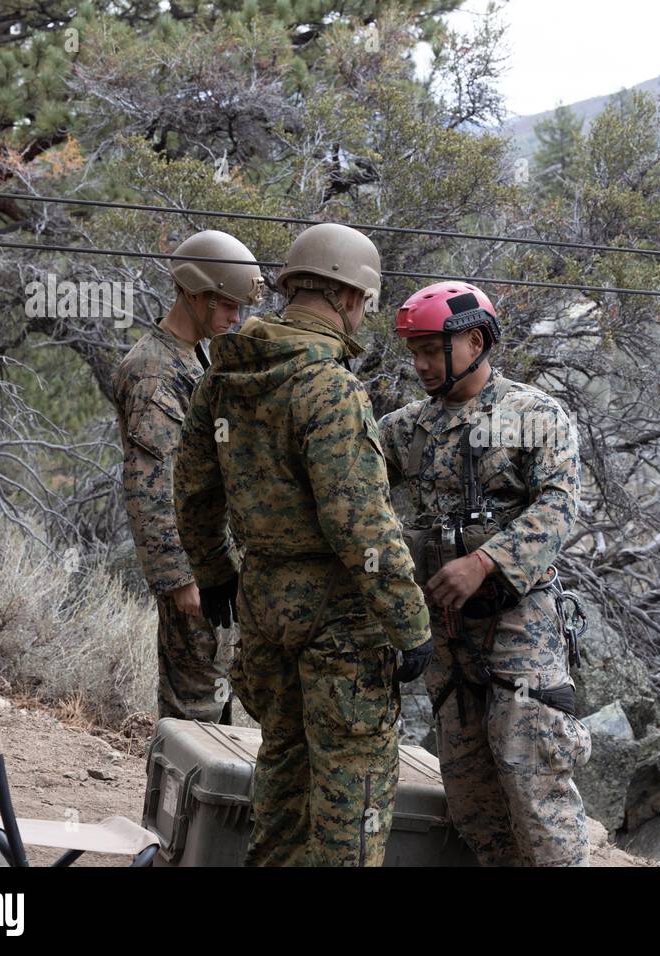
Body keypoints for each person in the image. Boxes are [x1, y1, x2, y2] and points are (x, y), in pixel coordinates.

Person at [173, 222, 432, 866]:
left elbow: (194, 488)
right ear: (349, 299)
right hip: (340, 621)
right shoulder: (330, 388)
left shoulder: (225, 376)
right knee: (353, 796)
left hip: (263, 606)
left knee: (281, 779)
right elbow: (359, 522)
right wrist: (409, 621)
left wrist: (214, 573)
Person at [378, 279, 592, 866]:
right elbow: (355, 489)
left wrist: (484, 562)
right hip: (447, 639)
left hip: (519, 627)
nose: (419, 365)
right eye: (413, 352)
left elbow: (558, 506)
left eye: (430, 350)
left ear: (474, 341)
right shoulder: (404, 429)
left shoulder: (535, 415)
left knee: (534, 774)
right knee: (470, 791)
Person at [112, 229, 263, 723]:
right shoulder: (155, 370)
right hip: (194, 572)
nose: (235, 318)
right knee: (194, 715)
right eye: (227, 306)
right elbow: (150, 483)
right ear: (195, 295)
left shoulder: (193, 354)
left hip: (213, 562)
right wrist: (179, 579)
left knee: (220, 711)